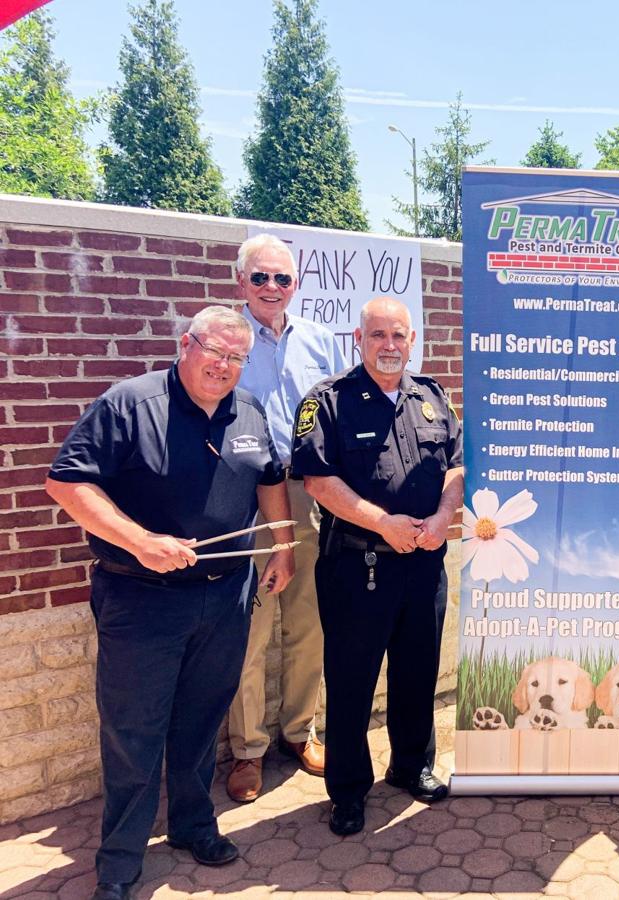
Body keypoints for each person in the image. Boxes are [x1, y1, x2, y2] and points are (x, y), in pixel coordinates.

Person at [45, 307, 294, 900]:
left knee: (201, 722)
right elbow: (67, 482)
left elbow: (269, 478)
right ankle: (120, 862)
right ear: (186, 345)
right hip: (141, 599)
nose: (225, 366)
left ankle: (191, 826)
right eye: (216, 352)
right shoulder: (130, 404)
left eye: (238, 358)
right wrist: (140, 541)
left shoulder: (250, 411)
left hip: (226, 596)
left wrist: (281, 547)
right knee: (134, 732)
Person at [291, 296, 463, 836]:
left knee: (417, 673)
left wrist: (441, 518)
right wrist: (383, 522)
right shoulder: (327, 402)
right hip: (356, 566)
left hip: (424, 563)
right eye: (379, 336)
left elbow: (458, 466)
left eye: (399, 336)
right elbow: (318, 481)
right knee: (351, 682)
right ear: (358, 340)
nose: (390, 346)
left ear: (413, 341)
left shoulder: (432, 397)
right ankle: (347, 790)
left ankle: (412, 765)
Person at [225, 234, 345, 802]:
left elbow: (340, 416)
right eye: (260, 277)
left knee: (309, 622)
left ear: (296, 285)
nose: (272, 287)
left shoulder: (321, 342)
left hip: (309, 494)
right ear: (240, 282)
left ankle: (300, 732)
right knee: (248, 630)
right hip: (246, 499)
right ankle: (247, 750)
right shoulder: (228, 342)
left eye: (283, 278)